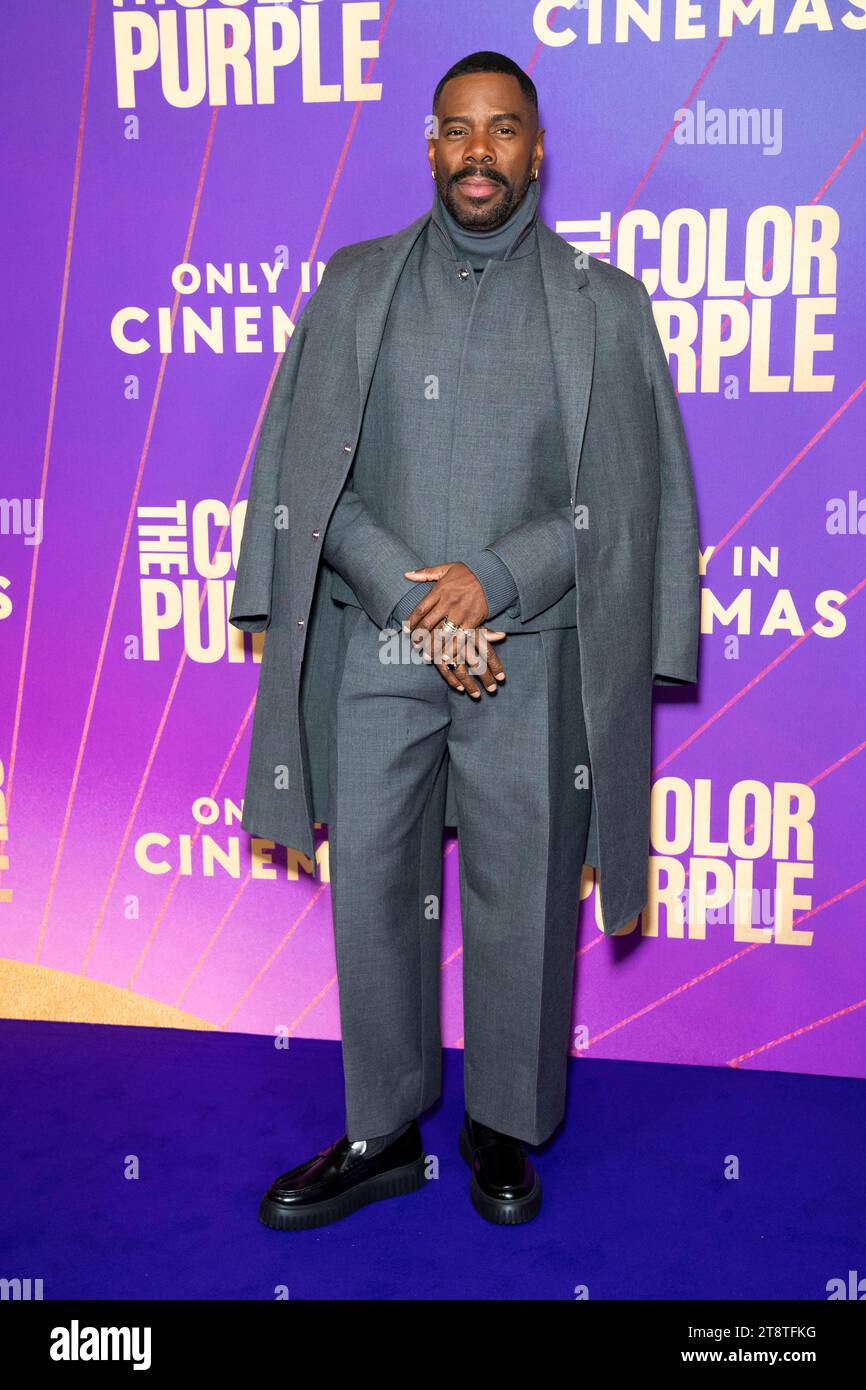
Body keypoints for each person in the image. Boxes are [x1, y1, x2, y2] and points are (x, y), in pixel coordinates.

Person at [229, 51, 700, 1230]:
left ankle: (502, 1121)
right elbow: (303, 481)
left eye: (501, 130)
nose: (477, 150)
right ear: (429, 147)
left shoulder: (605, 304)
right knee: (374, 889)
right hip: (380, 647)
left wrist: (488, 584)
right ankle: (380, 1129)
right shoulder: (351, 286)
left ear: (536, 151)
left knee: (524, 894)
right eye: (455, 129)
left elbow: (623, 505)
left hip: (532, 654)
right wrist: (410, 593)